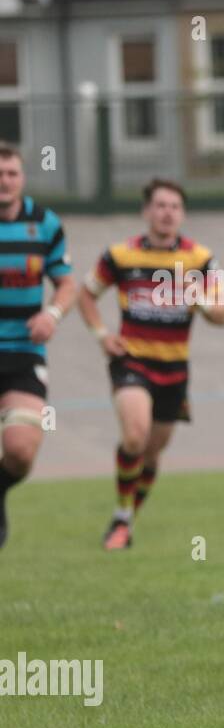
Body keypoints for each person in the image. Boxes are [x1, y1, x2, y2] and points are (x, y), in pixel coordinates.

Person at [76, 178, 224, 549]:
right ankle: (122, 518)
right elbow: (86, 293)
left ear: (183, 214)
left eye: (174, 207)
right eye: (160, 206)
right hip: (132, 361)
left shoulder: (200, 259)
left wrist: (202, 301)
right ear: (146, 211)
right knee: (135, 435)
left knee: (153, 452)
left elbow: (223, 314)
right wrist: (101, 334)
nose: (167, 213)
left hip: (174, 370)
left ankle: (125, 518)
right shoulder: (121, 255)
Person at [0, 142, 77, 549]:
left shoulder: (44, 224)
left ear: (22, 178)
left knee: (21, 450)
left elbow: (66, 282)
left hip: (24, 354)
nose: (4, 181)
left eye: (11, 173)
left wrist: (52, 315)